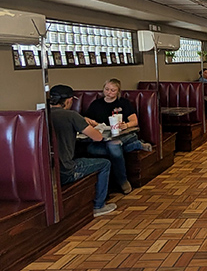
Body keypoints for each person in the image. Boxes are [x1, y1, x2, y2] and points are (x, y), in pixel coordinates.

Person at [48, 84, 116, 217]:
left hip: (47, 173)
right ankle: (99, 206)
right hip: (65, 171)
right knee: (105, 164)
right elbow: (97, 137)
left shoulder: (41, 115)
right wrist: (83, 122)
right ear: (68, 101)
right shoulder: (71, 116)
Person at [84, 79, 153, 195]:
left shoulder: (123, 103)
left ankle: (122, 181)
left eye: (113, 90)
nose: (109, 92)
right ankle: (136, 145)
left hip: (125, 134)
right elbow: (86, 119)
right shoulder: (96, 104)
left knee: (113, 145)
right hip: (104, 137)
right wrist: (89, 121)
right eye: (106, 89)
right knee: (91, 149)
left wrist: (126, 125)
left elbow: (134, 121)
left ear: (118, 91)